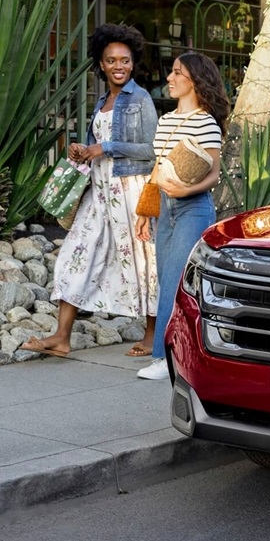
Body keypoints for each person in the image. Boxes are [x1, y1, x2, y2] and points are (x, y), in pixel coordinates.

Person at [20, 24, 159, 358]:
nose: (118, 66)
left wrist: (104, 148)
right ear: (101, 64)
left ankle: (152, 336)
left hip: (129, 192)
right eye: (111, 60)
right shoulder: (102, 101)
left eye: (124, 60)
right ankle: (61, 337)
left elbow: (151, 149)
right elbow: (97, 145)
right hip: (98, 194)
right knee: (75, 255)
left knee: (143, 261)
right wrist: (82, 149)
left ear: (133, 63)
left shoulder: (140, 98)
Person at [135, 52, 229, 380]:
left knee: (175, 280)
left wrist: (186, 190)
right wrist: (145, 210)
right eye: (172, 72)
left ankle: (163, 359)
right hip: (165, 207)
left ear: (195, 79)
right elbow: (158, 167)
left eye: (177, 73)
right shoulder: (165, 120)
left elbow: (213, 175)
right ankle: (192, 352)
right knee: (168, 282)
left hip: (194, 208)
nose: (170, 78)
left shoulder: (206, 122)